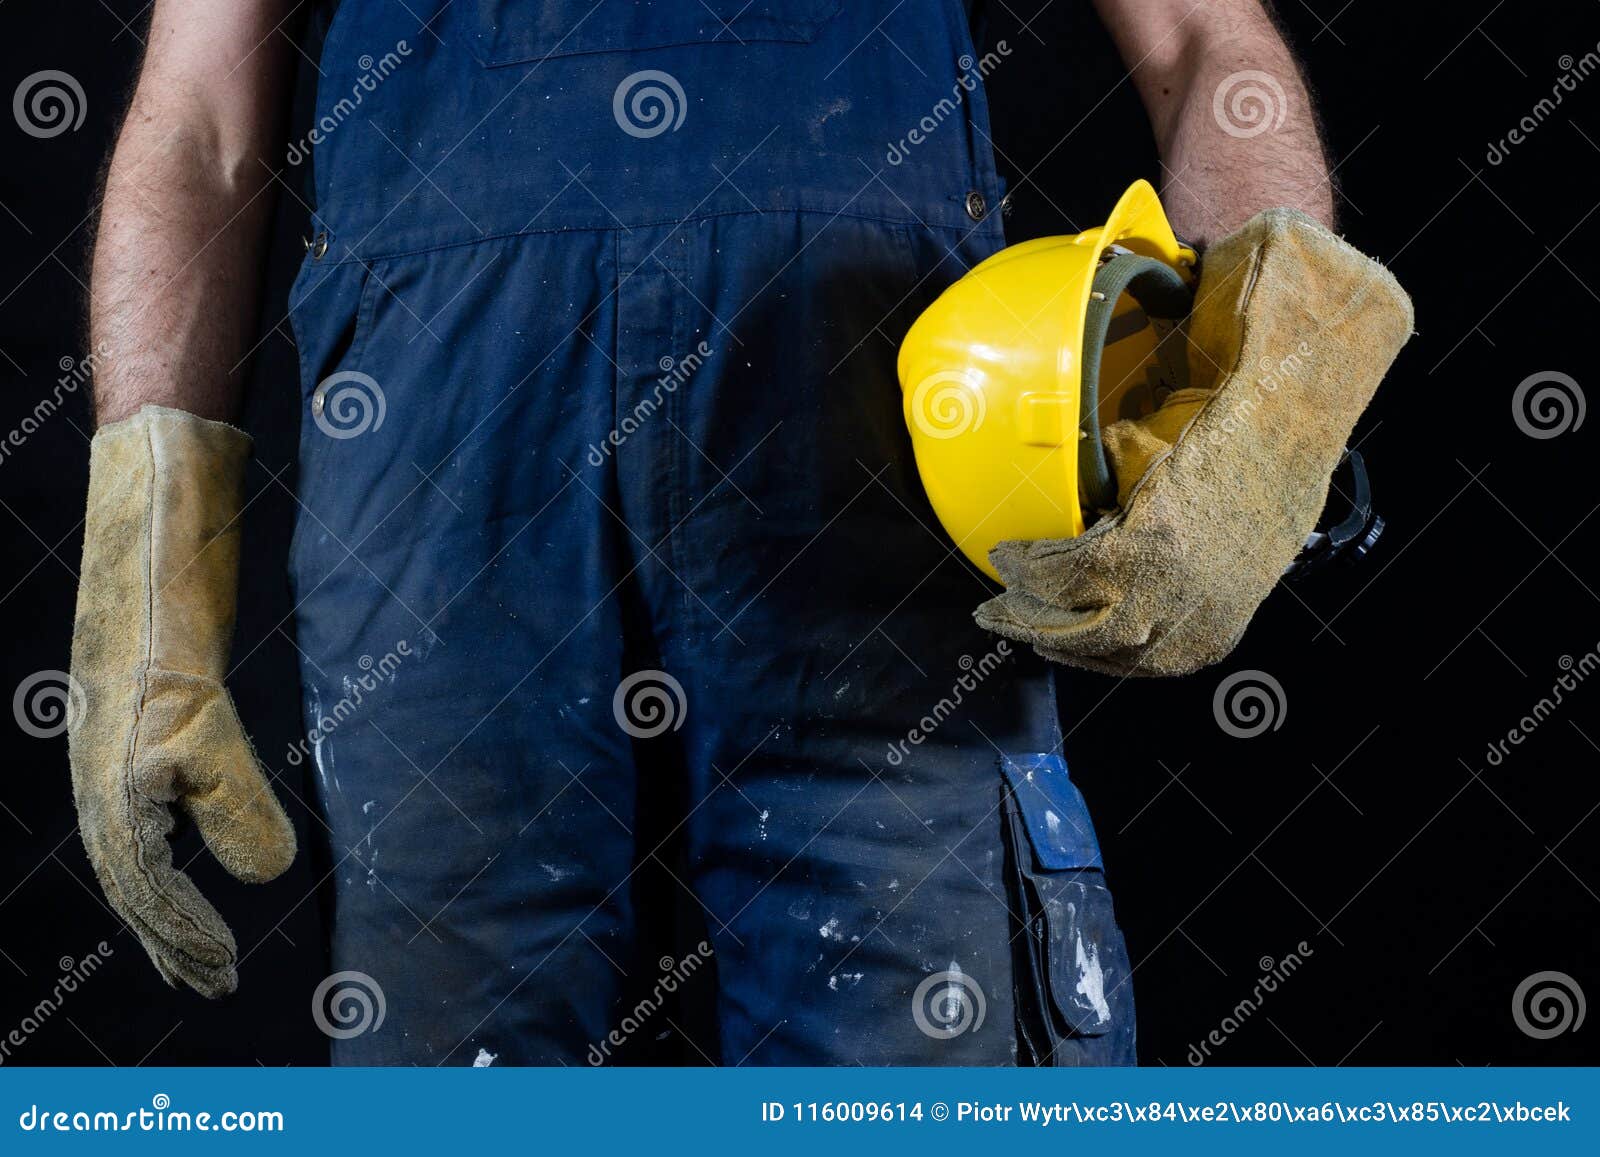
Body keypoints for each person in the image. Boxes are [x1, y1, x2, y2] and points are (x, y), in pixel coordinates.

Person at [68, 0, 1406, 1065]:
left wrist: (1258, 377)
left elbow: (1201, 40)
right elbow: (200, 122)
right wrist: (148, 560)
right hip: (440, 470)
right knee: (448, 1063)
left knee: (921, 1055)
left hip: (876, 435)